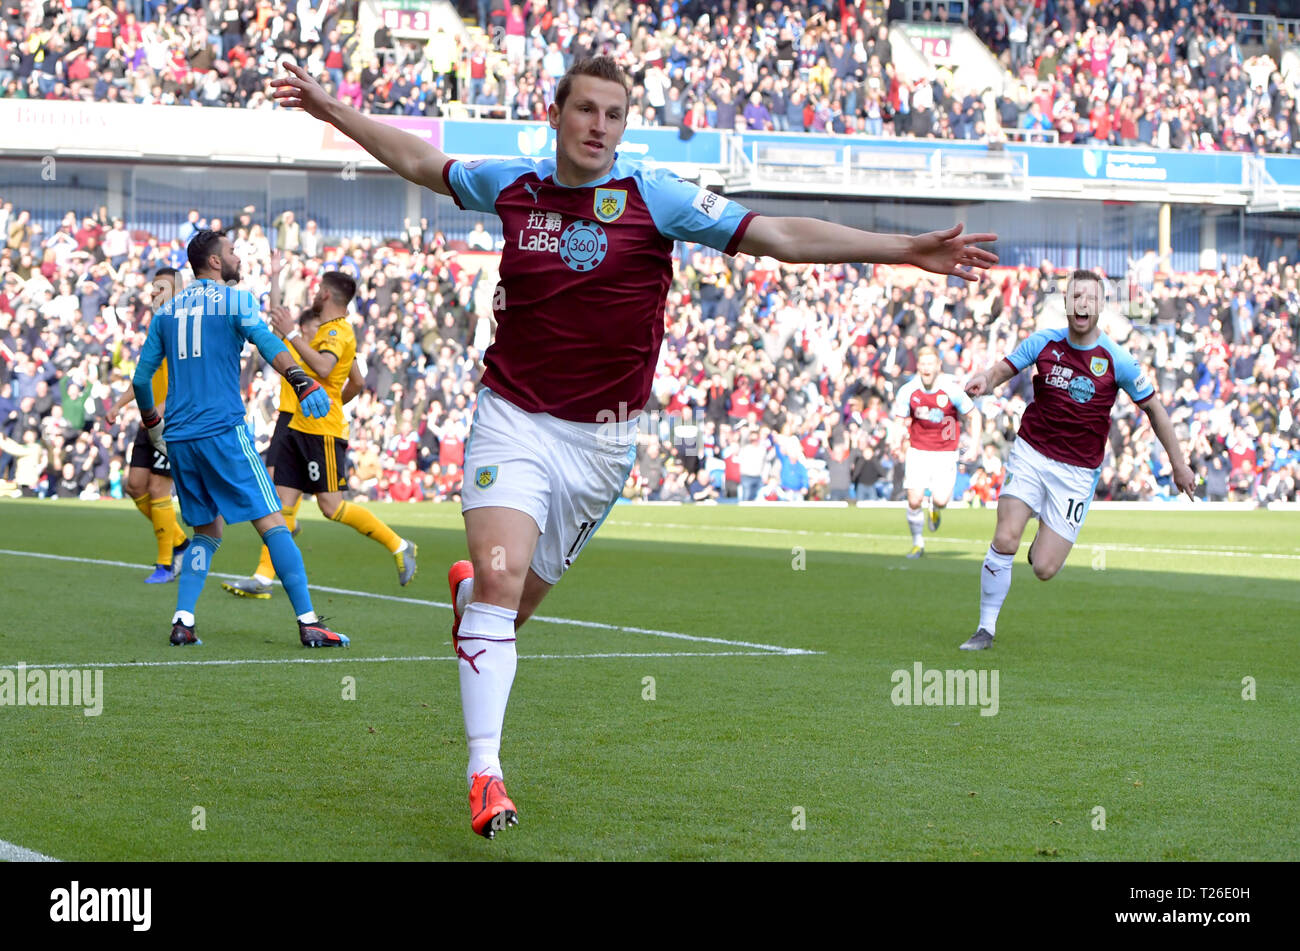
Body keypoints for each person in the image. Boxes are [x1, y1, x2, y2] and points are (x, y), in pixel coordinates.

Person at [272, 55, 998, 839]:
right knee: (500, 576)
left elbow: (780, 234)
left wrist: (902, 249)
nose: (598, 127)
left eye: (613, 115)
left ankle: (471, 601)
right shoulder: (512, 185)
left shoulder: (658, 197)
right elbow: (420, 160)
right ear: (555, 113)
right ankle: (486, 772)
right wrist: (331, 110)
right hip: (511, 416)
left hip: (604, 442)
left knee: (507, 610)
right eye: (585, 110)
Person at [131, 229, 350, 650]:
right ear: (214, 261)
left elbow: (142, 379)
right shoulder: (235, 300)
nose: (237, 257)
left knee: (206, 532)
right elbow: (265, 340)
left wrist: (152, 421)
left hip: (179, 437)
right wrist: (301, 380)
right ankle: (308, 622)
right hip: (222, 431)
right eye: (231, 252)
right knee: (272, 521)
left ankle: (183, 620)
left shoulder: (167, 311)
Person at [958, 270, 1196, 651]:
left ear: (1100, 306)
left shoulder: (1117, 360)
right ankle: (985, 628)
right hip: (1032, 453)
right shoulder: (1044, 343)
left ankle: (1040, 544)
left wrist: (1179, 465)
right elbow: (1005, 367)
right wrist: (986, 380)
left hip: (1077, 473)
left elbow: (1154, 408)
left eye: (1090, 298)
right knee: (1004, 538)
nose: (1082, 304)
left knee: (1044, 569)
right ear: (1066, 303)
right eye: (1076, 297)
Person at [221, 271, 416, 600]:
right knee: (281, 505)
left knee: (332, 508)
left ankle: (399, 544)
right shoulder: (324, 332)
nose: (314, 292)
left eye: (317, 288)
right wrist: (275, 269)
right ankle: (263, 577)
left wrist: (297, 339)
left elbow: (327, 370)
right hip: (298, 427)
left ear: (325, 293)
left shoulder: (337, 332)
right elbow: (352, 380)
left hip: (321, 432)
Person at [104, 267, 190, 583]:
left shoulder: (183, 327)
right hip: (148, 419)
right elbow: (143, 377)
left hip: (171, 421)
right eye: (154, 289)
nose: (154, 294)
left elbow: (187, 380)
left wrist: (161, 409)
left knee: (157, 489)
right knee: (134, 486)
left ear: (179, 292)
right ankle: (179, 539)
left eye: (162, 289)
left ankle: (166, 563)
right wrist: (118, 404)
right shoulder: (157, 326)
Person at [892, 345, 980, 558]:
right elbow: (899, 419)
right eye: (922, 364)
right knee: (914, 500)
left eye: (930, 363)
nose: (926, 368)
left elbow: (974, 415)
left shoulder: (952, 390)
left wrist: (975, 445)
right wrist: (895, 442)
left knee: (941, 500)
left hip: (946, 453)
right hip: (918, 451)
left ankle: (935, 508)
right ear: (918, 367)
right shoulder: (908, 390)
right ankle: (917, 544)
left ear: (938, 365)